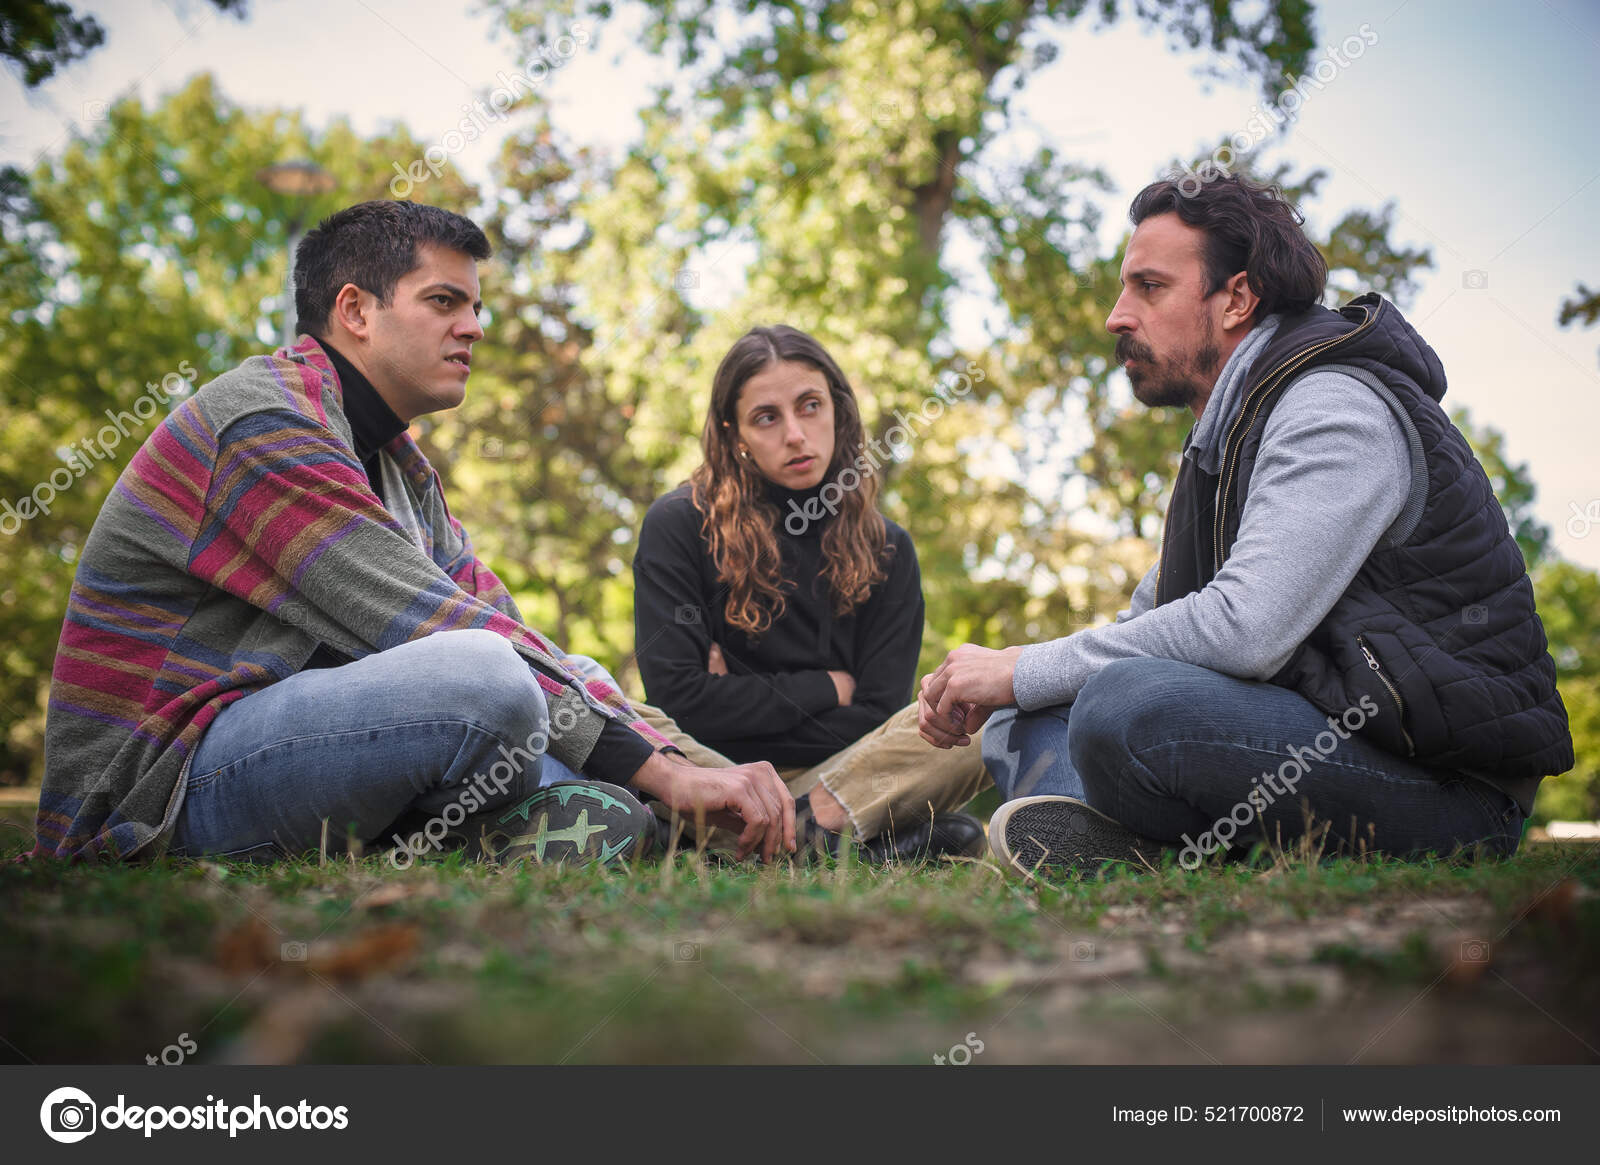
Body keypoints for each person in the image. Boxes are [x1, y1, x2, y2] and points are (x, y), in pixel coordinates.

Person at [34, 200, 796, 867]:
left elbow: (519, 633)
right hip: (158, 786)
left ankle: (721, 823)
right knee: (485, 680)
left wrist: (682, 764)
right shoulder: (263, 423)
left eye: (474, 305)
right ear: (357, 310)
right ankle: (561, 818)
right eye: (444, 301)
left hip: (282, 749)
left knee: (566, 689)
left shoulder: (402, 469)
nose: (475, 327)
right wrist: (667, 777)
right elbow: (439, 629)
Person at [919, 174, 1573, 876]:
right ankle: (1118, 847)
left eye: (1149, 287)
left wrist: (1018, 667)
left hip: (1447, 787)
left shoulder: (1331, 407)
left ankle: (1128, 843)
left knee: (1119, 703)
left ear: (1235, 298)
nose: (1116, 316)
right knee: (1029, 709)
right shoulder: (1224, 442)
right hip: (1315, 739)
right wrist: (1016, 676)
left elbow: (1244, 631)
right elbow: (1152, 620)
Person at [630, 325, 988, 860]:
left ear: (839, 412)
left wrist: (734, 698)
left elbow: (876, 713)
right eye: (767, 417)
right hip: (715, 773)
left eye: (810, 406)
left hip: (844, 775)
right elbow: (680, 703)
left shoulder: (888, 548)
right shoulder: (679, 524)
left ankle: (783, 834)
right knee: (624, 719)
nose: (795, 434)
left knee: (984, 712)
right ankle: (840, 844)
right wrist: (829, 687)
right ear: (735, 436)